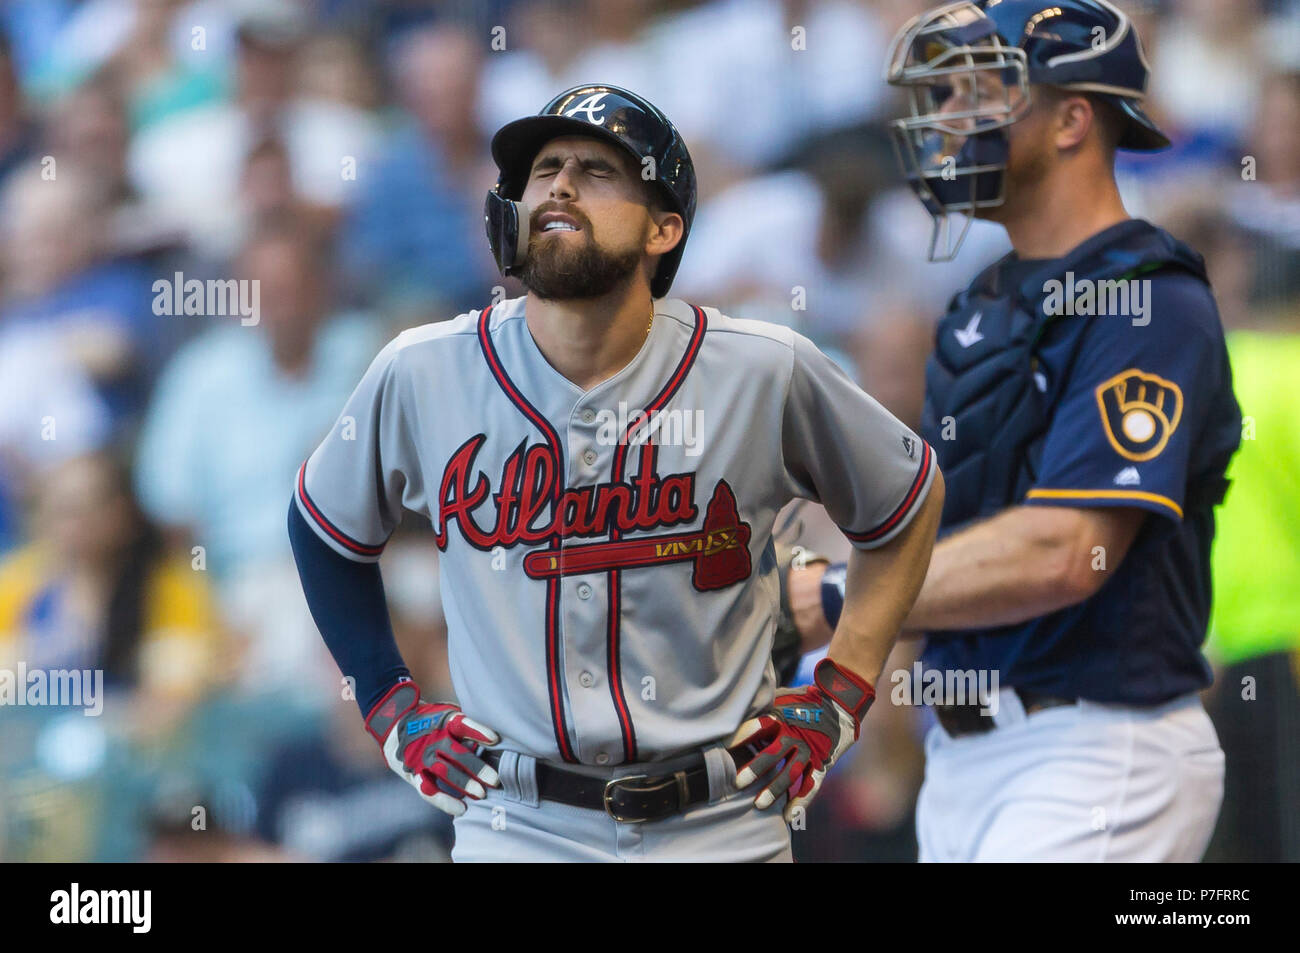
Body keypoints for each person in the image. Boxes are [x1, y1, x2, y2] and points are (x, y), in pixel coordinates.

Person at [288, 84, 943, 862]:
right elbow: (323, 527)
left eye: (599, 171)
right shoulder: (424, 369)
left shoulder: (763, 368)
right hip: (518, 825)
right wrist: (389, 701)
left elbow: (907, 499)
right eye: (545, 170)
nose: (560, 184)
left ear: (664, 227)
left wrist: (841, 691)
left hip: (722, 823)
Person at [787, 0, 1241, 861]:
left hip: (1098, 749)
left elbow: (1067, 550)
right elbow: (947, 536)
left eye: (980, 94)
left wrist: (839, 598)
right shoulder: (979, 303)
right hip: (961, 755)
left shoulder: (1147, 298)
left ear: (1073, 118)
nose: (951, 120)